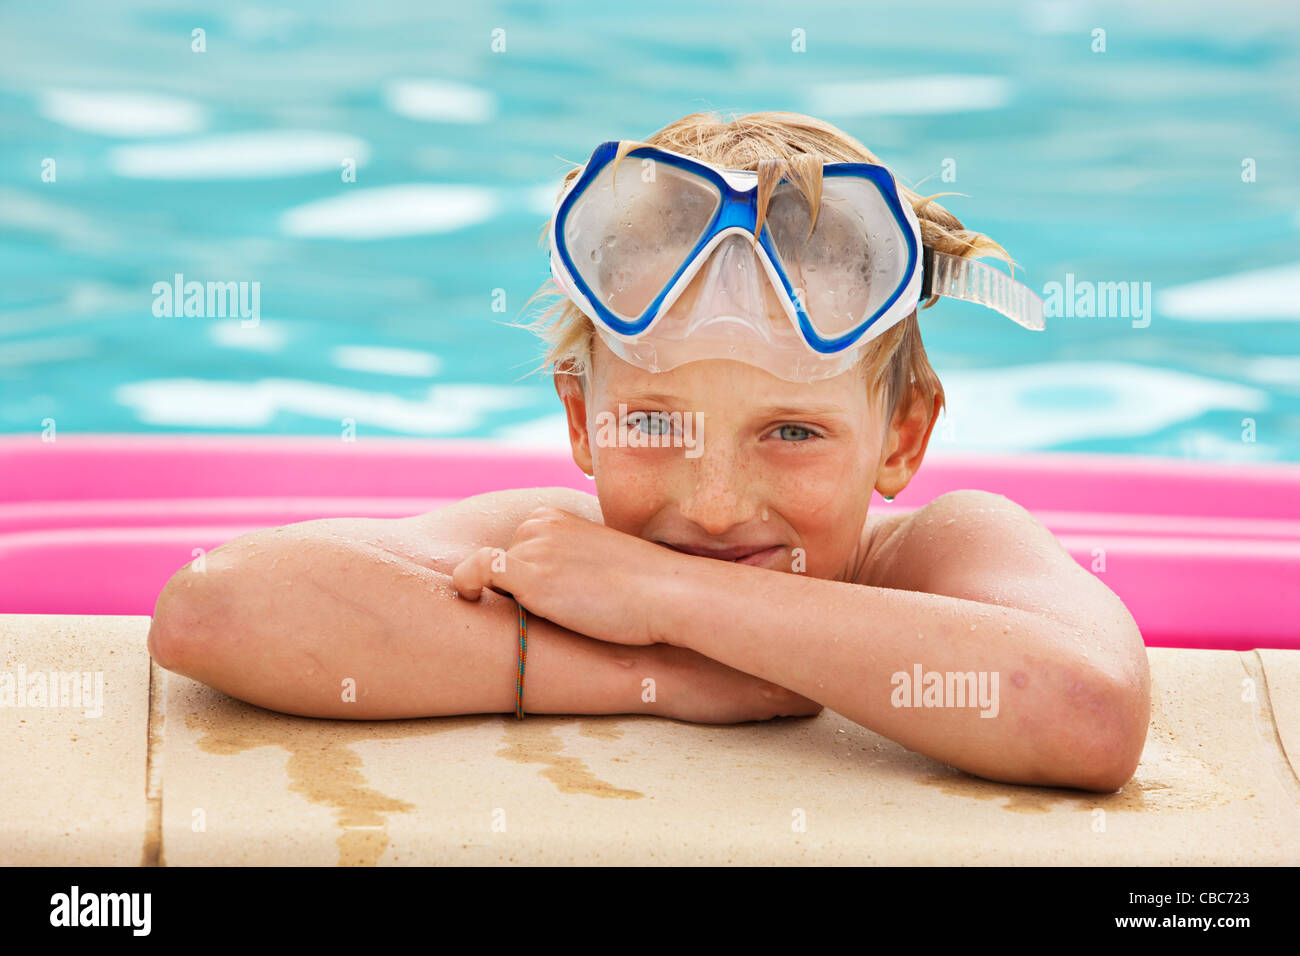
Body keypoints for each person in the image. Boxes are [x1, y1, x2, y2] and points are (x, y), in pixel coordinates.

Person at [148, 111, 1149, 793]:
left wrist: (679, 602)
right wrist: (666, 677)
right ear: (583, 421)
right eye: (656, 424)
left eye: (792, 431)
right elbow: (214, 607)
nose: (713, 505)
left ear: (902, 435)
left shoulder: (937, 552)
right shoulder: (556, 544)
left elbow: (1089, 712)